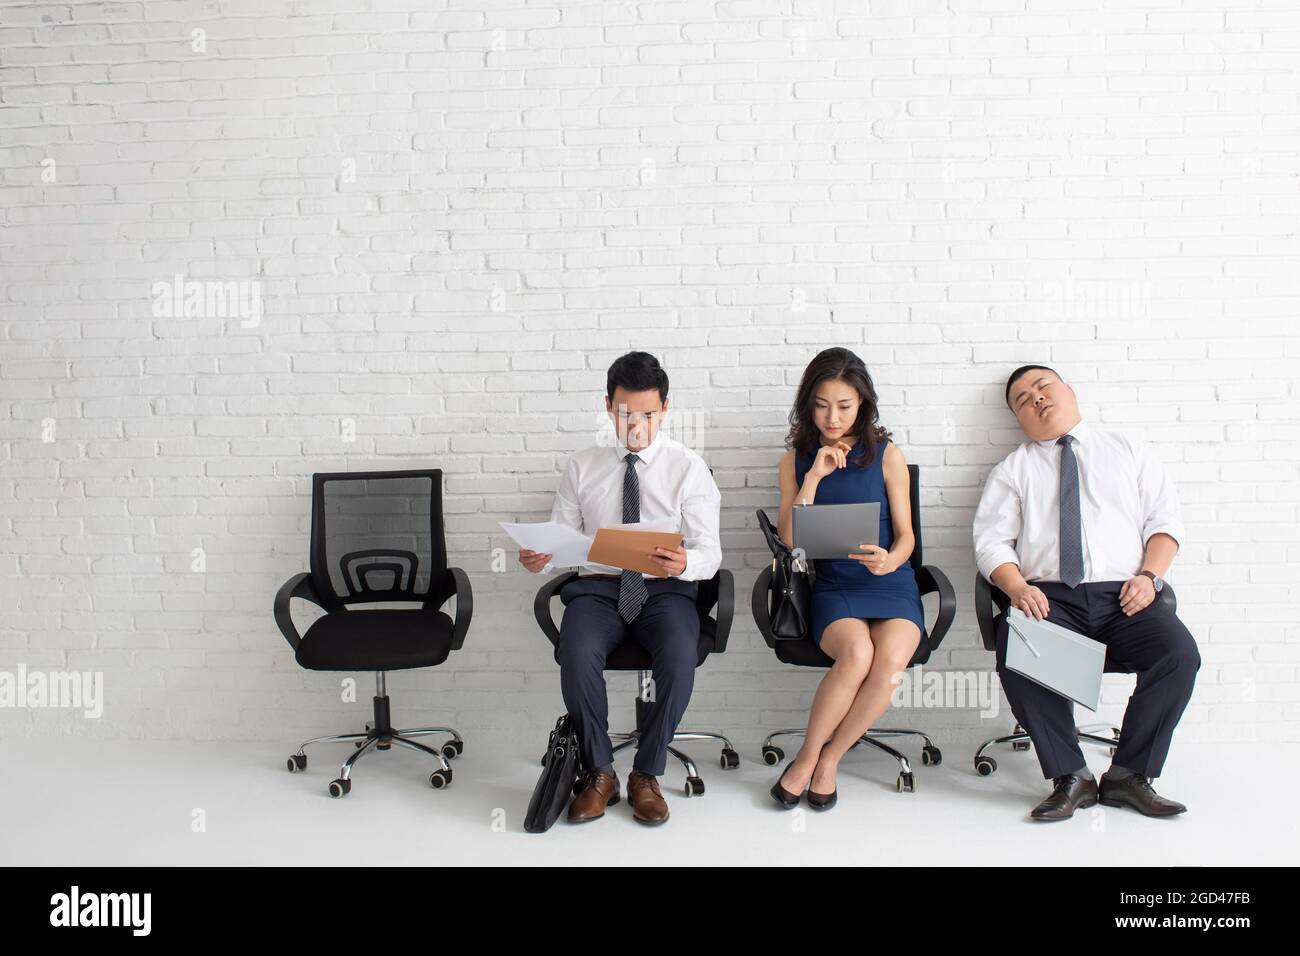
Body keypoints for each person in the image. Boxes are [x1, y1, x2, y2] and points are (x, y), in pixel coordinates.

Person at [973, 365, 1200, 822]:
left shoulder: (1127, 450)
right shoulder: (1013, 470)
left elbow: (1165, 522)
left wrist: (1149, 577)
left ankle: (1128, 776)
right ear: (1019, 419)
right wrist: (1016, 587)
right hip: (1050, 599)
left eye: (1043, 387)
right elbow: (991, 543)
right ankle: (1071, 776)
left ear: (1070, 392)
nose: (1035, 399)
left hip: (1126, 595)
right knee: (1015, 639)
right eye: (1022, 399)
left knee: (1179, 655)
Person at [518, 351, 722, 826]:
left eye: (648, 414)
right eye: (627, 413)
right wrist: (540, 557)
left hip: (664, 590)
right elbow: (562, 539)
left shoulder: (687, 467)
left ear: (664, 409)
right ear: (609, 407)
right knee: (577, 650)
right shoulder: (582, 465)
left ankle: (646, 773)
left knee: (678, 655)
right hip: (598, 588)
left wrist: (686, 559)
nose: (637, 425)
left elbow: (711, 552)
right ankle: (600, 772)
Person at [768, 347, 925, 811]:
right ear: (806, 404)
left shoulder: (887, 455)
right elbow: (790, 541)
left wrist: (892, 560)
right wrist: (813, 477)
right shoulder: (794, 460)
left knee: (890, 660)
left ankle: (829, 758)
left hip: (890, 582)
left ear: (863, 405)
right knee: (857, 654)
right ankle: (806, 756)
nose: (831, 418)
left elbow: (907, 537)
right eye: (821, 405)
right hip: (835, 587)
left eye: (843, 406)